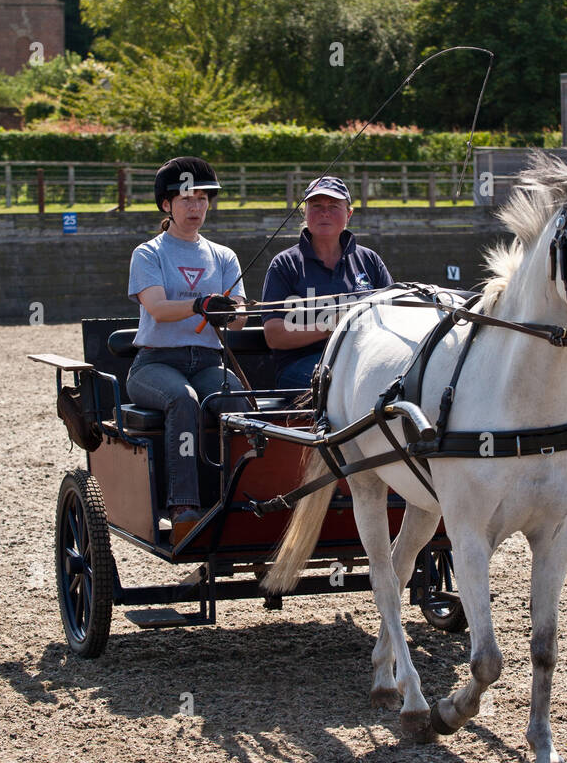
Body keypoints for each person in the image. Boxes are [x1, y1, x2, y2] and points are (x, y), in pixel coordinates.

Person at [126, 156, 248, 527]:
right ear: (167, 205)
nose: (195, 208)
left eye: (201, 200)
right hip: (156, 364)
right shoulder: (149, 253)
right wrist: (199, 303)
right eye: (186, 200)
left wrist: (228, 311)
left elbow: (240, 320)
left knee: (241, 403)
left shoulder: (224, 256)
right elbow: (159, 310)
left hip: (209, 363)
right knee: (184, 399)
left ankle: (244, 497)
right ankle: (183, 504)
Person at [261, 175, 394, 389]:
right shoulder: (285, 264)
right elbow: (274, 335)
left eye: (333, 205)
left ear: (349, 214)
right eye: (316, 205)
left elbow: (392, 316)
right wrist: (331, 326)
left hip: (364, 359)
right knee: (351, 385)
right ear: (304, 212)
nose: (324, 212)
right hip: (301, 366)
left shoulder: (369, 260)